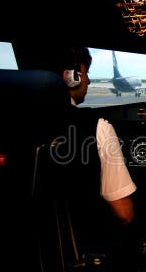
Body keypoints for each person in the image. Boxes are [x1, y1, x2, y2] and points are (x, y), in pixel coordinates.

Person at [52, 46, 136, 224]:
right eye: (85, 73)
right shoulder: (98, 127)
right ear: (70, 77)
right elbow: (124, 213)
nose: (88, 81)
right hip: (82, 243)